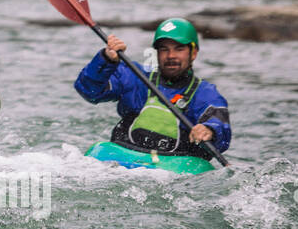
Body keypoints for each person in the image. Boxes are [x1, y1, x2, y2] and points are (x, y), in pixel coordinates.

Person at [74, 18, 231, 159]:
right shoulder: (134, 76)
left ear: (193, 53)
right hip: (124, 158)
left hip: (174, 167)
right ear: (157, 53)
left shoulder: (206, 93)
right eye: (164, 49)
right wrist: (106, 60)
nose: (171, 56)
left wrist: (209, 130)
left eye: (179, 49)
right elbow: (89, 91)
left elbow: (220, 125)